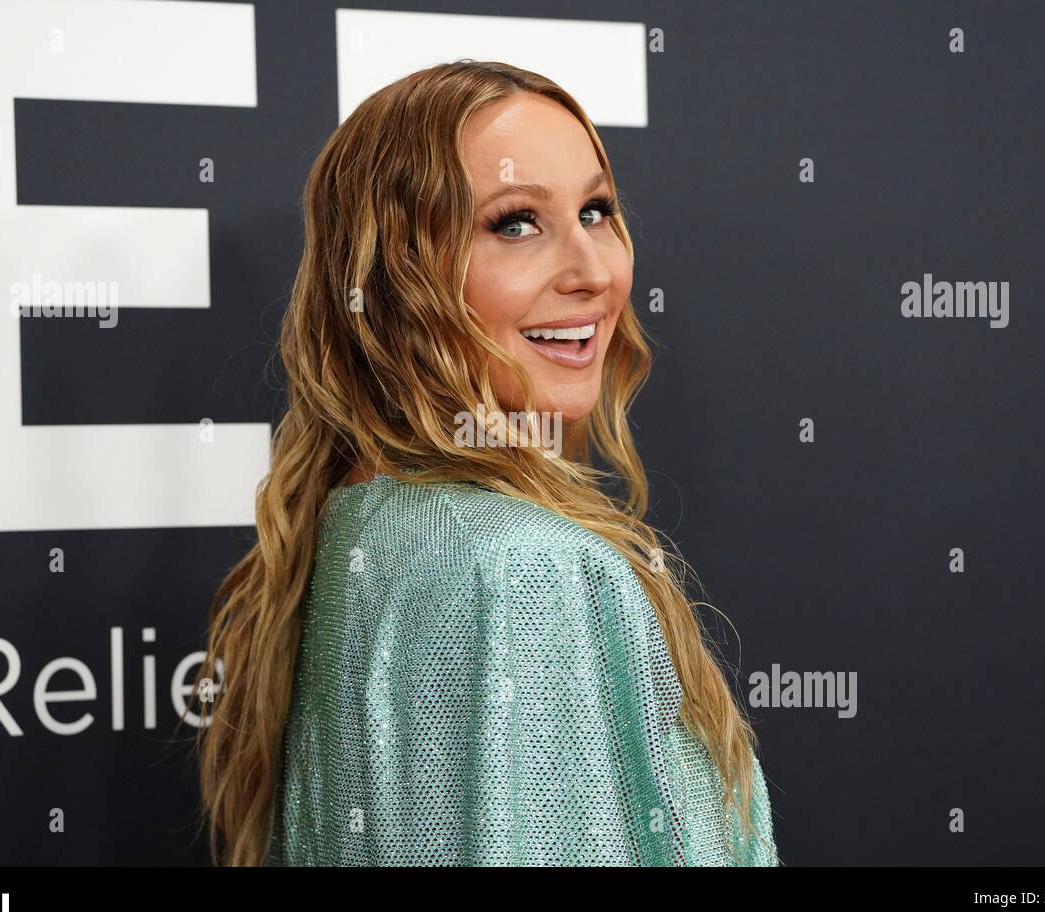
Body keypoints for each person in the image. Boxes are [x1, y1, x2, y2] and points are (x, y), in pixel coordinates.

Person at [194, 59, 779, 867]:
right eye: (515, 224)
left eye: (597, 211)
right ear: (395, 280)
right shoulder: (525, 568)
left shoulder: (355, 523)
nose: (593, 271)